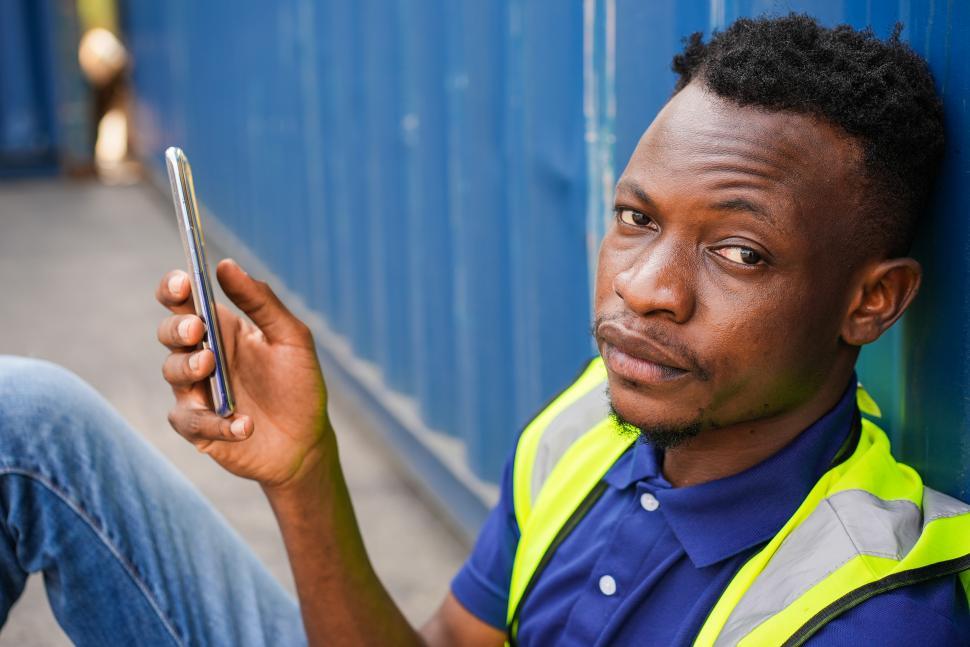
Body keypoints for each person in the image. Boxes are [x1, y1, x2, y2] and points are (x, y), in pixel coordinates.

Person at [0, 12, 967, 646]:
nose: (648, 289)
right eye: (638, 219)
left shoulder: (864, 615)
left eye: (740, 254)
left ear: (870, 301)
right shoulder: (592, 423)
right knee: (26, 421)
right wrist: (303, 469)